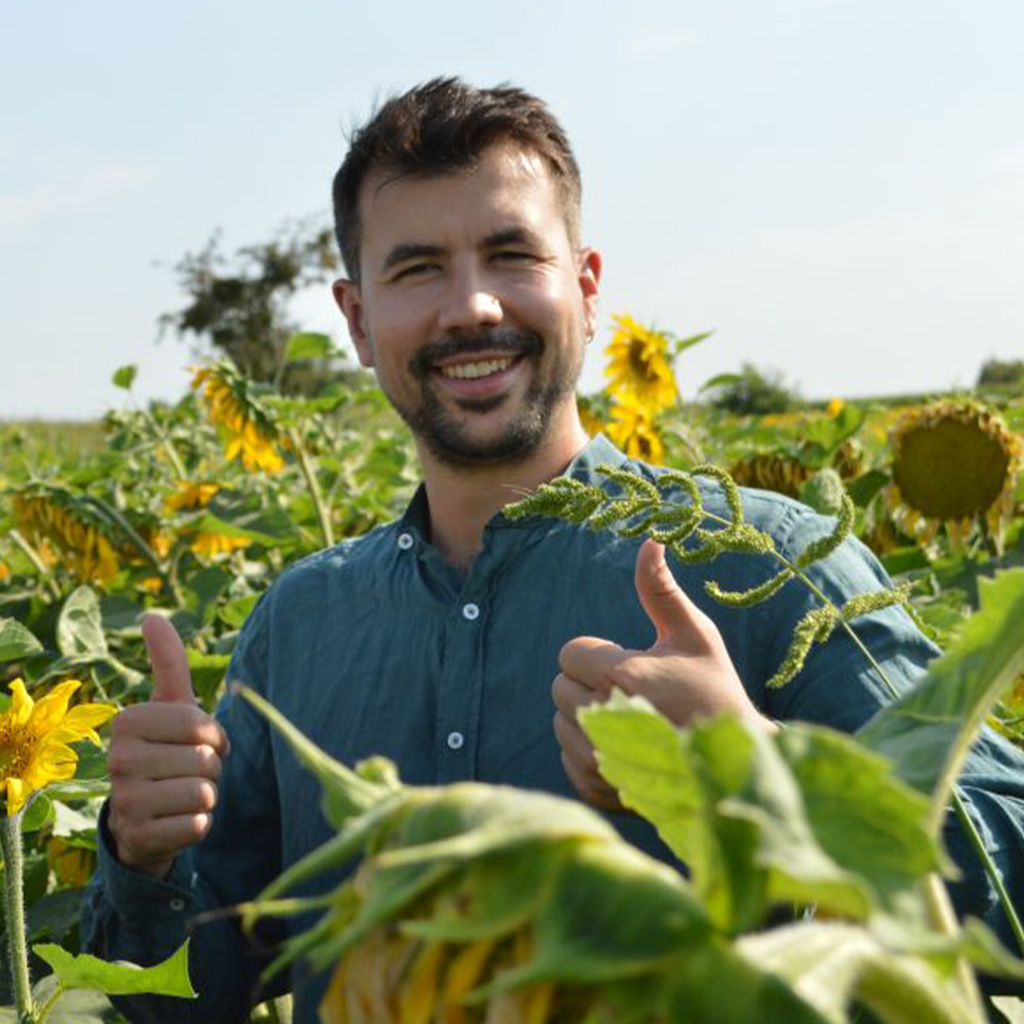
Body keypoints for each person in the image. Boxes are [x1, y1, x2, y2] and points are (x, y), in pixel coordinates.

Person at [83, 78, 1024, 1022]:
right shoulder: (301, 624)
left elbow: (1009, 892)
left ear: (586, 287)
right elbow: (183, 1002)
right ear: (359, 321)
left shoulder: (761, 564)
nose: (472, 306)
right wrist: (144, 857)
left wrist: (763, 772)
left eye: (511, 255)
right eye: (417, 269)